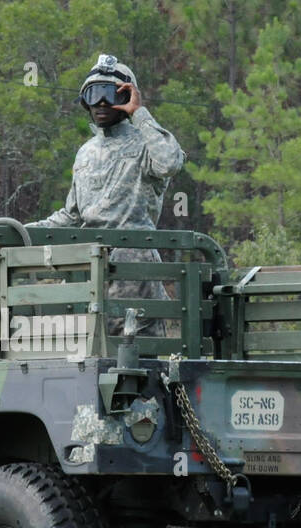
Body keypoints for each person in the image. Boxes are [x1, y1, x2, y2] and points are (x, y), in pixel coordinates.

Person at [31, 54, 185, 336]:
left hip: (132, 266)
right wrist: (19, 233)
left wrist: (139, 113)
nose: (102, 102)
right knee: (85, 354)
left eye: (111, 93)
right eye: (94, 94)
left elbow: (171, 162)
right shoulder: (86, 152)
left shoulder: (145, 143)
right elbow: (71, 216)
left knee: (133, 352)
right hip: (89, 265)